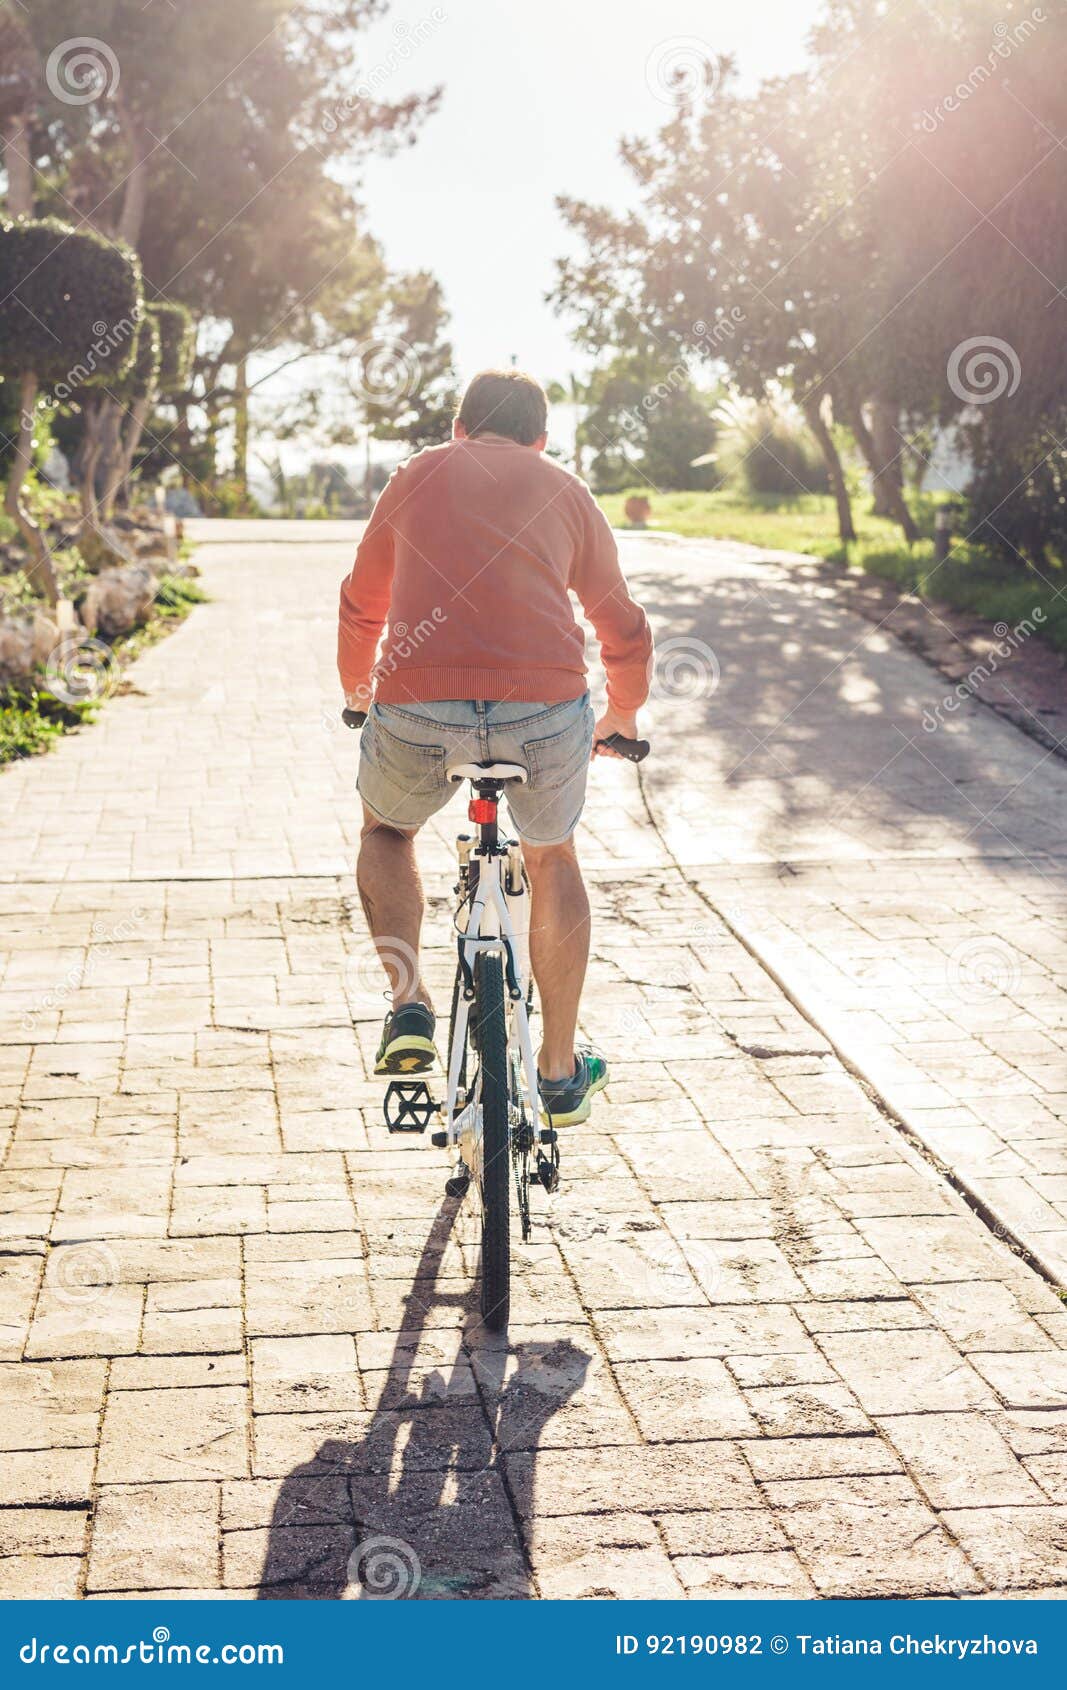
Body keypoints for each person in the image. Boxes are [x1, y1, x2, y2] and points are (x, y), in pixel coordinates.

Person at [337, 368, 652, 1125]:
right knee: (551, 856)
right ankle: (557, 1070)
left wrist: (357, 695)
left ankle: (408, 1004)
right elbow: (621, 623)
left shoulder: (414, 476)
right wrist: (624, 716)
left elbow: (361, 604)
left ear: (459, 429)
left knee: (386, 831)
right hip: (542, 710)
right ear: (541, 439)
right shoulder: (565, 489)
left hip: (417, 706)